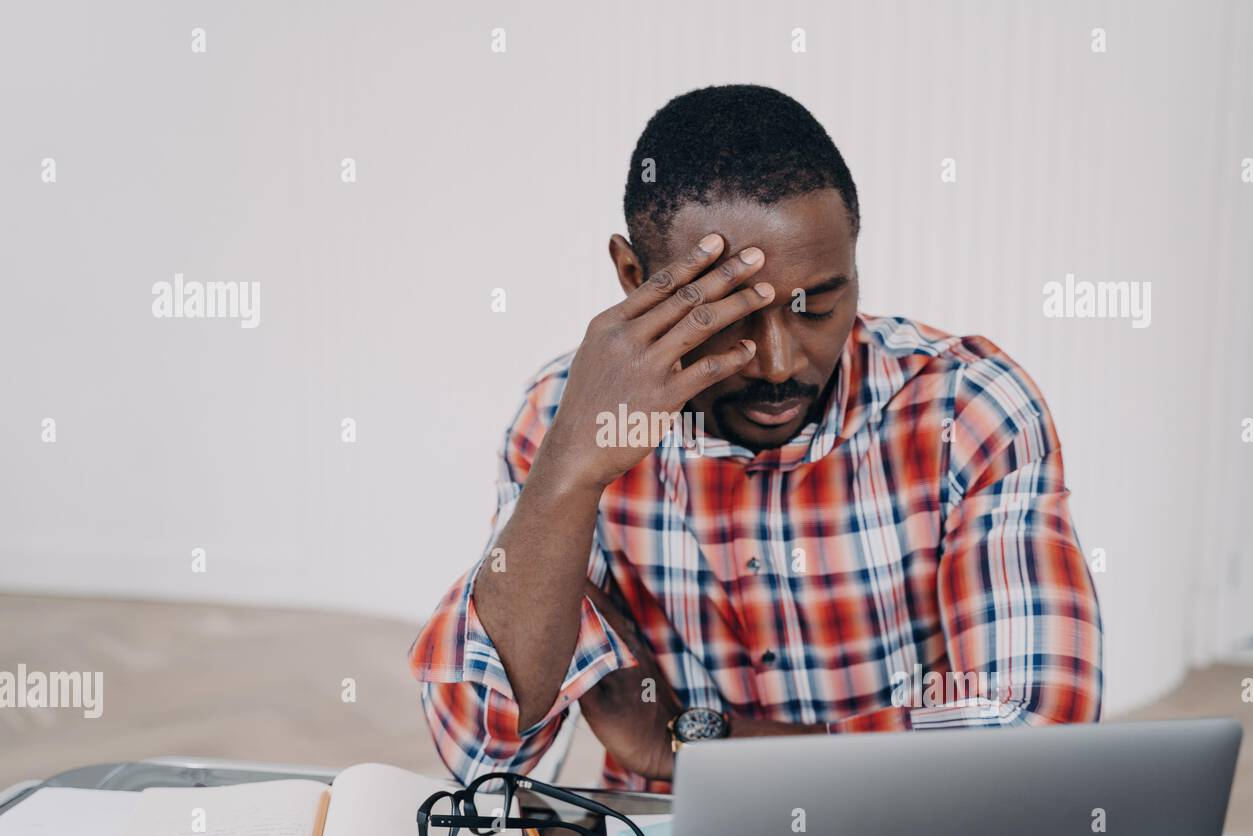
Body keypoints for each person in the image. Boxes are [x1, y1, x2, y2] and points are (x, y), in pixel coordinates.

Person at [409, 84, 1103, 793]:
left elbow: (1031, 744)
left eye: (819, 308)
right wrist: (566, 478)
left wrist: (696, 744)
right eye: (728, 313)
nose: (777, 365)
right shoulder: (566, 418)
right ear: (632, 278)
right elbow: (487, 759)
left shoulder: (970, 410)